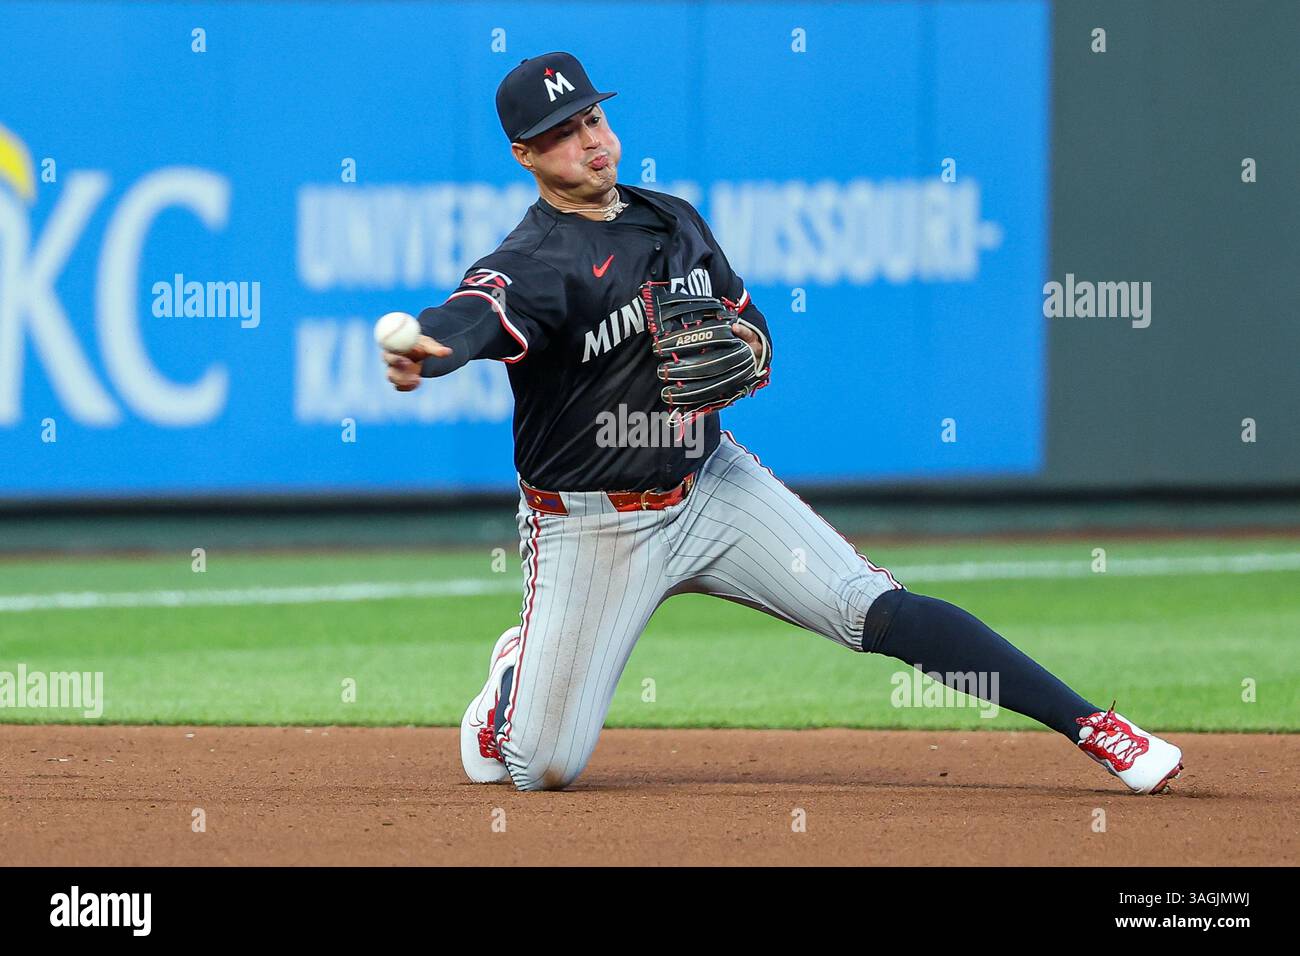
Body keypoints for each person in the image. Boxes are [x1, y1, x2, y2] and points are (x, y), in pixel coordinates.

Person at [380, 52, 1184, 795]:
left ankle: (1095, 727)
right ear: (525, 156)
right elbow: (474, 313)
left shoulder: (676, 222)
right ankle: (515, 678)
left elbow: (750, 327)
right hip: (592, 530)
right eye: (557, 134)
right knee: (539, 768)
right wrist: (430, 349)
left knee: (873, 608)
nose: (586, 140)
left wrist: (752, 350)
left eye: (590, 118)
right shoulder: (535, 261)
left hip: (707, 485)